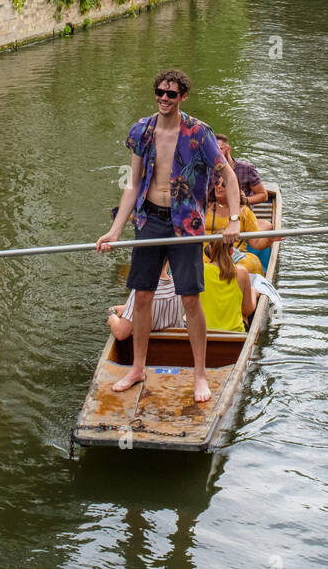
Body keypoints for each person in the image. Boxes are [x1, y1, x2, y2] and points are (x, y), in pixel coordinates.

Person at [96, 68, 241, 404]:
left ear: (183, 97)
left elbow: (229, 177)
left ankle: (200, 374)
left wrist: (233, 220)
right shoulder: (141, 131)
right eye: (159, 92)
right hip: (149, 221)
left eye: (171, 94)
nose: (163, 98)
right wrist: (116, 230)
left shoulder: (199, 134)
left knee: (190, 298)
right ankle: (138, 369)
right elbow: (133, 184)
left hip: (186, 225)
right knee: (142, 295)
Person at [205, 171, 272, 276]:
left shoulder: (244, 211)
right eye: (217, 183)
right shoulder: (205, 208)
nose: (218, 186)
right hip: (207, 253)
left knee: (252, 263)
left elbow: (256, 242)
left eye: (224, 184)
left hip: (234, 255)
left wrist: (270, 239)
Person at [107, 265, 183, 341]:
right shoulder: (179, 285)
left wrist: (112, 317)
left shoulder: (140, 290)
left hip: (151, 346)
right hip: (176, 344)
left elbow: (121, 333)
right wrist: (129, 308)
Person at [200, 240, 256, 332]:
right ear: (231, 251)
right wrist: (253, 292)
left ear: (210, 249)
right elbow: (247, 310)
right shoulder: (242, 272)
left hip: (205, 332)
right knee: (245, 317)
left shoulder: (200, 271)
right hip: (234, 333)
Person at [215, 134, 269, 205]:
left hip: (241, 211)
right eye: (212, 150)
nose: (215, 153)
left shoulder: (247, 169)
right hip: (217, 211)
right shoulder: (208, 169)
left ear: (228, 149)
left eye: (219, 149)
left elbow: (263, 195)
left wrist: (245, 200)